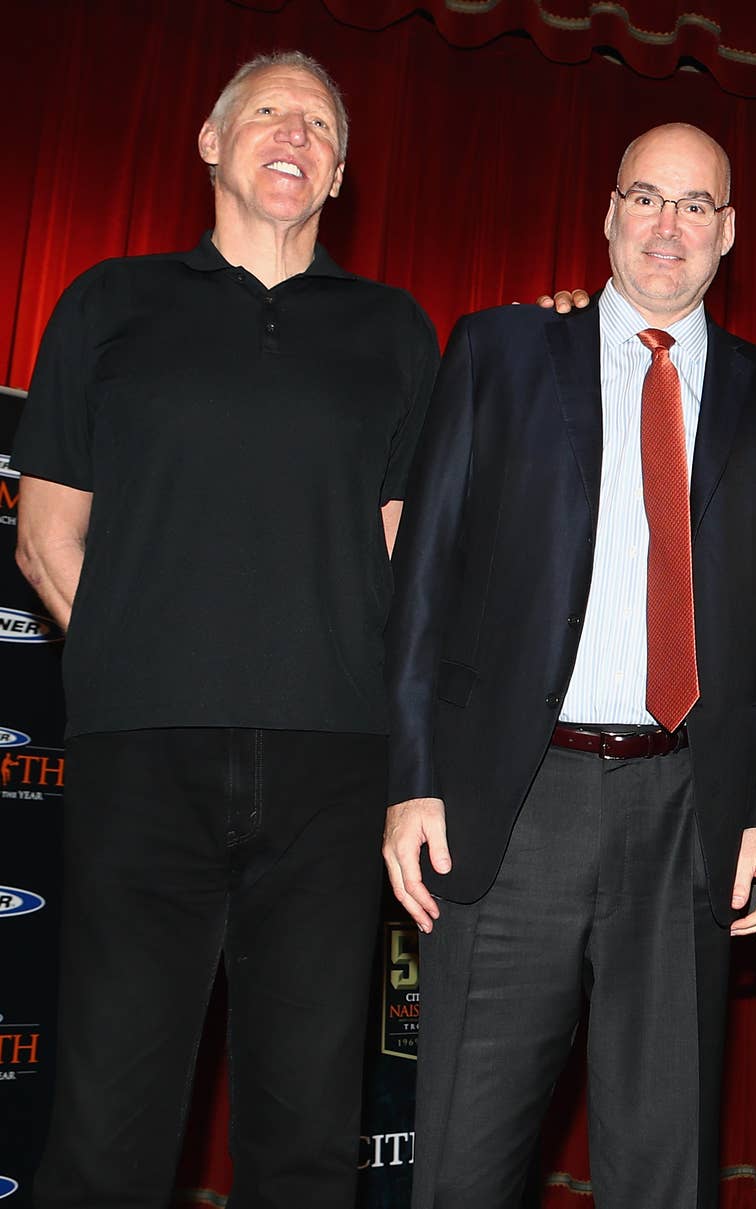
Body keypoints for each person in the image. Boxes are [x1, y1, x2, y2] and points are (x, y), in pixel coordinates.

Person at [12, 51, 437, 1207]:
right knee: (107, 1122)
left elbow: (406, 554)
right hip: (143, 758)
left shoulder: (397, 332)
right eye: (266, 111)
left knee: (305, 1133)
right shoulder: (107, 302)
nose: (290, 130)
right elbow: (49, 538)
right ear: (210, 142)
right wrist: (151, 652)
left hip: (332, 768)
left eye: (318, 121)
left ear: (340, 171)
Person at [381, 122, 756, 1209]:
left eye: (695, 205)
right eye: (646, 198)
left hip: (688, 818)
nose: (668, 226)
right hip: (512, 807)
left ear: (730, 233)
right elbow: (422, 586)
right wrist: (411, 780)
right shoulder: (497, 354)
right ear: (609, 213)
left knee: (661, 1170)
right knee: (466, 1165)